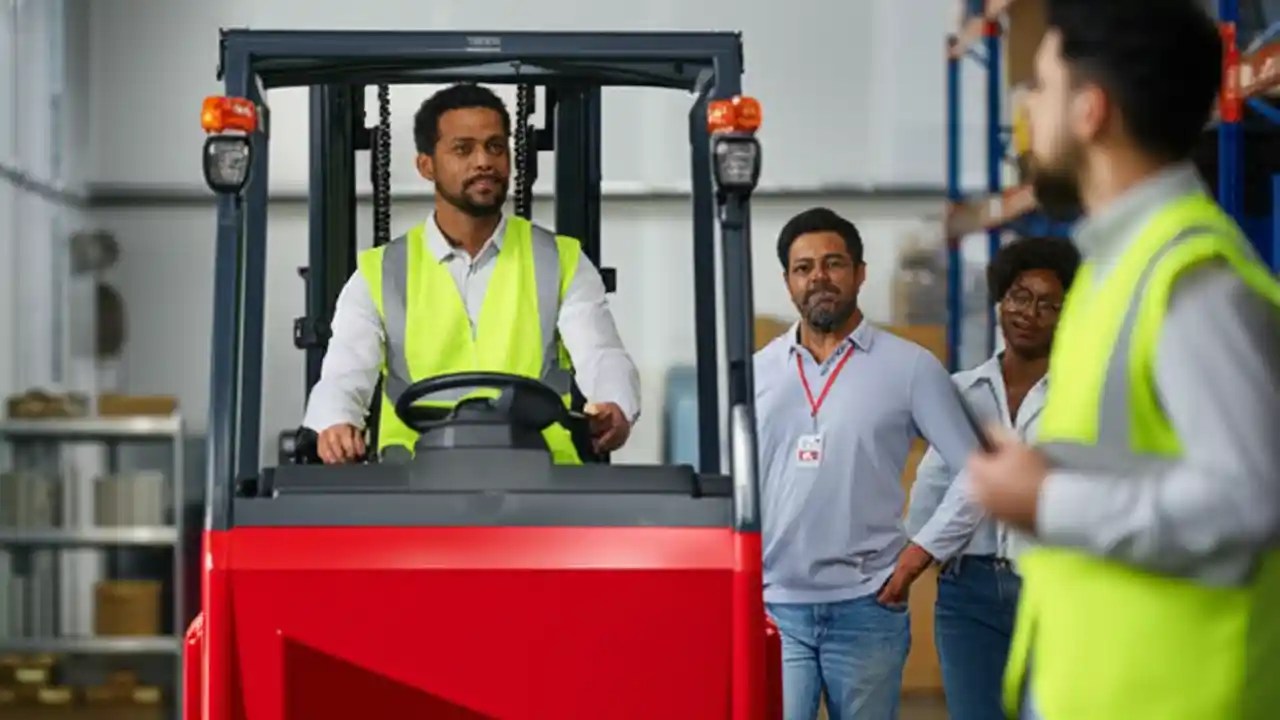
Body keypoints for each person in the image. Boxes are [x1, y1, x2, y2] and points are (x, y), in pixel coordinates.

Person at [964, 2, 1280, 719]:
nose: (1029, 114)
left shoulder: (1192, 278)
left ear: (1090, 111)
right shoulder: (1113, 272)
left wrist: (1046, 501)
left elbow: (1250, 499)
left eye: (1040, 88)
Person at [302, 83, 640, 465]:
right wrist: (337, 423)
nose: (484, 161)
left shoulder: (560, 260)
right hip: (414, 486)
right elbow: (345, 371)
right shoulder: (380, 272)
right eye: (463, 149)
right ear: (426, 165)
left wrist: (614, 404)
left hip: (541, 485)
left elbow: (601, 353)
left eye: (495, 147)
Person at [754, 207, 984, 720]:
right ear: (788, 282)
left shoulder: (909, 368)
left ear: (860, 272)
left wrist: (919, 554)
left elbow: (977, 471)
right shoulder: (757, 374)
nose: (819, 277)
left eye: (834, 263)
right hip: (777, 606)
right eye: (804, 267)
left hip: (867, 606)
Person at [904, 236, 1080, 720]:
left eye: (1049, 304)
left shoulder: (1077, 395)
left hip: (1049, 585)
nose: (1030, 313)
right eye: (1020, 297)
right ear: (1001, 299)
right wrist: (923, 548)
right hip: (970, 593)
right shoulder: (962, 389)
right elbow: (934, 480)